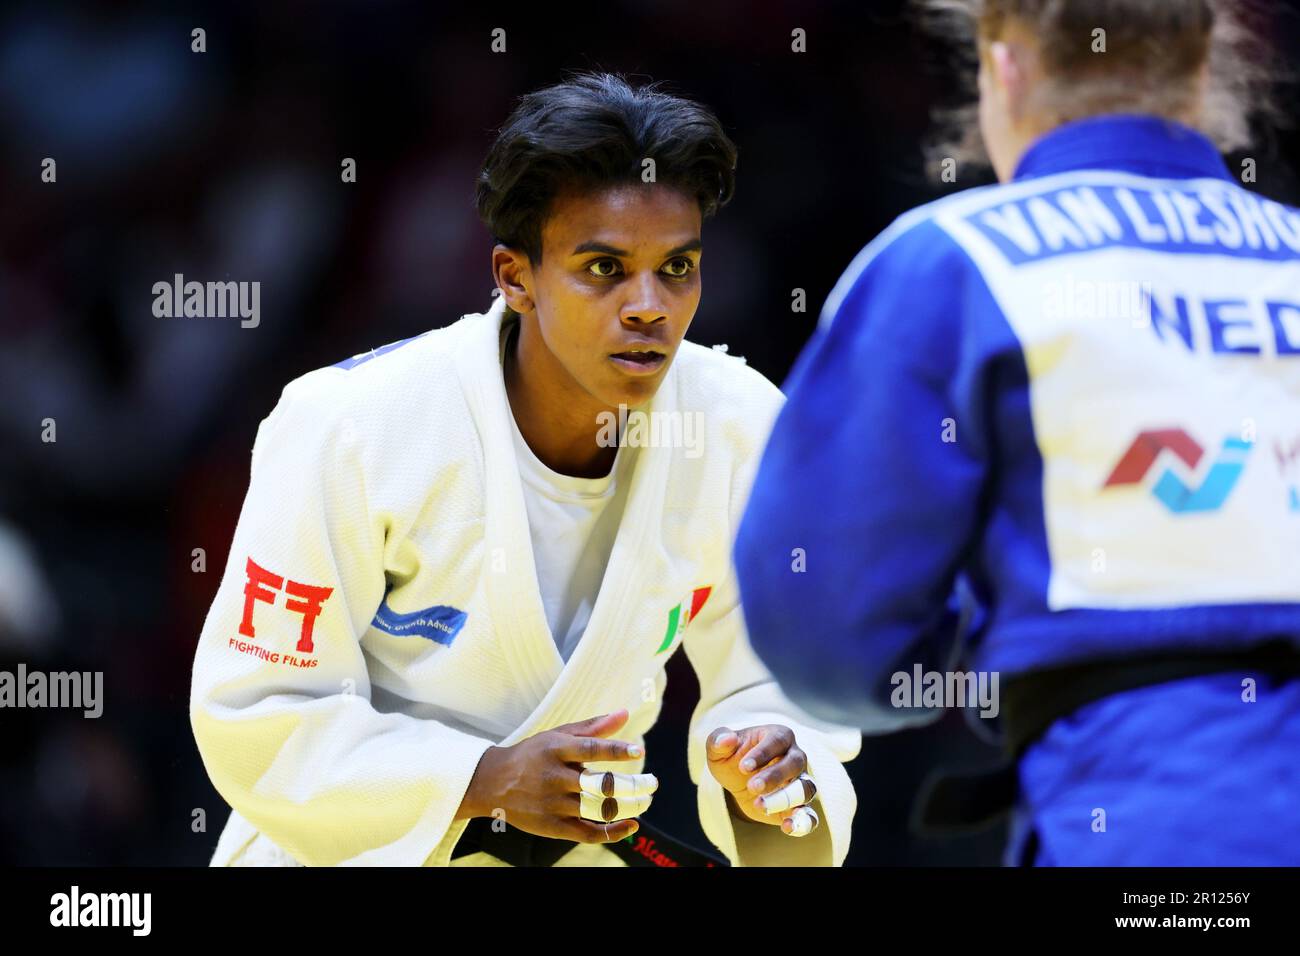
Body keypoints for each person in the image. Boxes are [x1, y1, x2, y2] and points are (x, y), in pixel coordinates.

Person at [190, 72, 860, 867]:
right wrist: (483, 780)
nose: (649, 305)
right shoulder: (353, 427)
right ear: (515, 277)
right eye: (604, 268)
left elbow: (778, 685)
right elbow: (260, 708)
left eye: (676, 268)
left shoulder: (738, 425)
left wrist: (775, 771)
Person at [734, 0, 1300, 865]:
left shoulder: (952, 260)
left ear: (1002, 66)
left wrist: (990, 649)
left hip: (1139, 832)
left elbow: (831, 646)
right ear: (1205, 69)